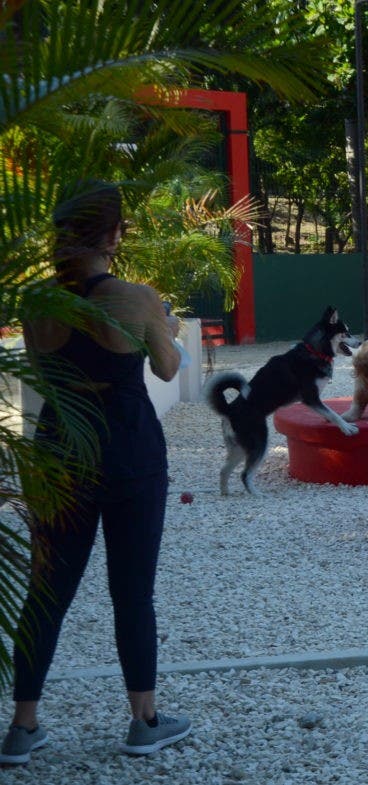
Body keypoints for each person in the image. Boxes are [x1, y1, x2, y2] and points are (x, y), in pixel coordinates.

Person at [0, 183, 190, 764]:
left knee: (46, 591)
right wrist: (167, 327)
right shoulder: (136, 298)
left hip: (60, 443)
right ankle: (144, 719)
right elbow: (165, 368)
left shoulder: (36, 302)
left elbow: (47, 366)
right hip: (129, 448)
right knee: (132, 592)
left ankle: (23, 728)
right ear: (113, 236)